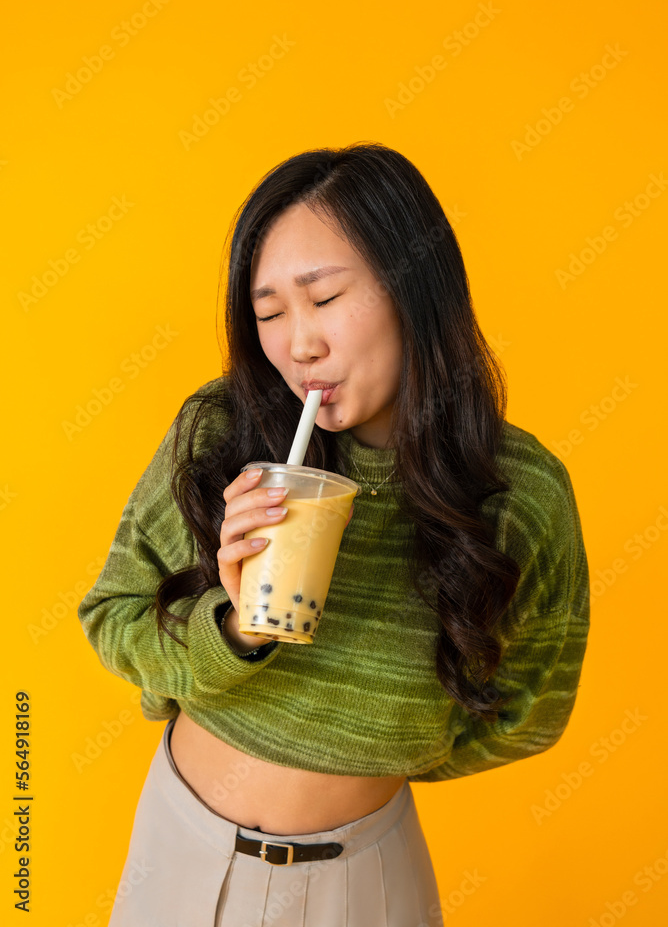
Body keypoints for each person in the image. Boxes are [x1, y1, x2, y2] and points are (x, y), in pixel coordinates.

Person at [77, 142, 591, 926]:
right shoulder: (223, 433)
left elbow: (532, 708)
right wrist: (234, 632)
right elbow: (112, 615)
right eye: (271, 312)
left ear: (411, 288)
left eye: (323, 298)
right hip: (183, 856)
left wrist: (385, 742)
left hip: (371, 874)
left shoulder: (521, 493)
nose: (298, 343)